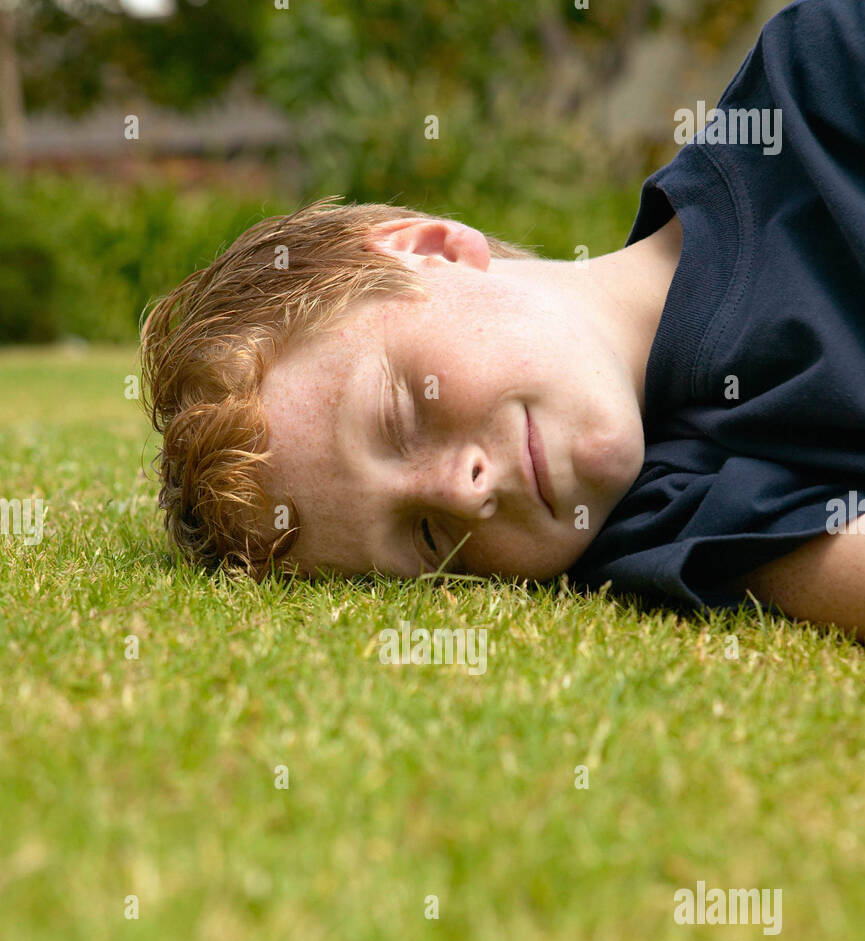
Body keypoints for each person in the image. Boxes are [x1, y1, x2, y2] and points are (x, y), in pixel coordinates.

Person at [140, 0, 865, 636]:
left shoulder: (819, 84)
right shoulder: (663, 524)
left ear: (429, 251)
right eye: (428, 538)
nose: (464, 491)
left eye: (401, 418)